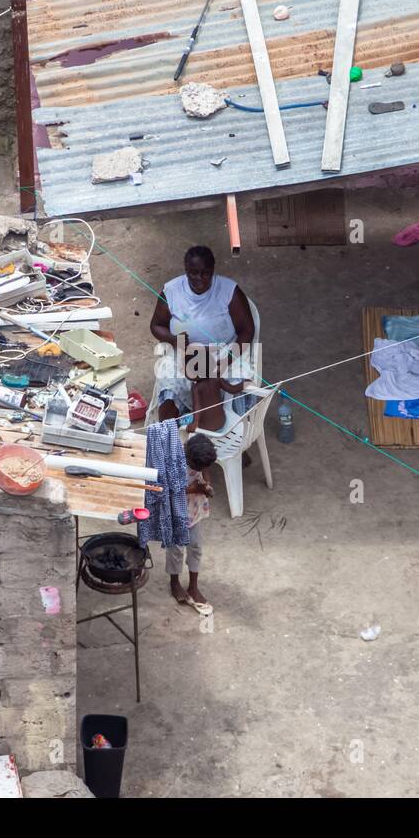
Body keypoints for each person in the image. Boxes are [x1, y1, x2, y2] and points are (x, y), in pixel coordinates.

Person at [150, 245, 256, 433]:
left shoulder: (229, 291)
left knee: (241, 380)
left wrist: (224, 362)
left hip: (225, 351)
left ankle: (238, 437)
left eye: (205, 273)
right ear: (186, 269)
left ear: (213, 269)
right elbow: (156, 325)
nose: (199, 279)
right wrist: (175, 341)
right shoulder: (172, 290)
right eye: (193, 273)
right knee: (167, 383)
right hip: (184, 351)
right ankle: (170, 436)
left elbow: (247, 331)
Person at [167, 434, 216, 613]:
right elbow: (168, 489)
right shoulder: (174, 461)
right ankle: (174, 583)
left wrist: (207, 485)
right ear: (187, 457)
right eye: (197, 467)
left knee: (196, 547)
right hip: (177, 512)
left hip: (194, 511)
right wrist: (194, 489)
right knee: (176, 550)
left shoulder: (200, 459)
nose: (200, 469)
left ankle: (193, 587)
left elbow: (205, 471)